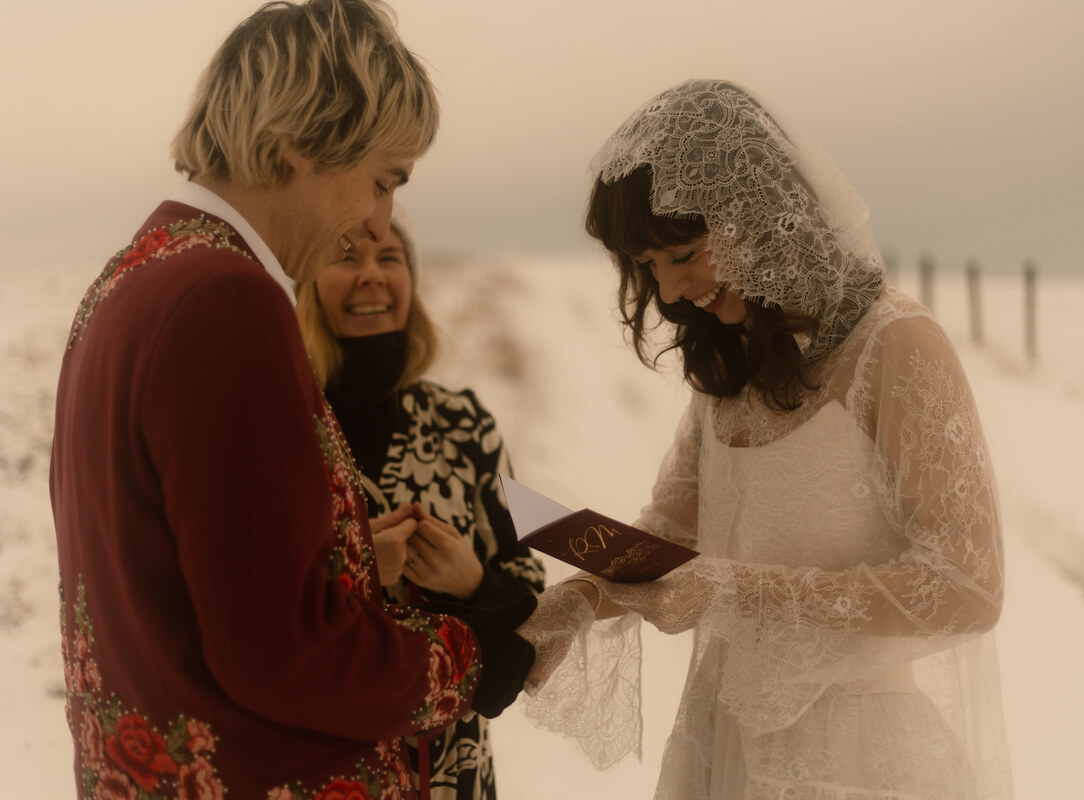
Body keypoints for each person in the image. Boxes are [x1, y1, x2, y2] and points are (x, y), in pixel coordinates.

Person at [49, 2, 533, 797]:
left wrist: (340, 565)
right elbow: (282, 654)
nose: (376, 222)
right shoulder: (226, 300)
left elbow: (170, 577)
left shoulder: (127, 279)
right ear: (302, 142)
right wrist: (472, 659)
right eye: (382, 181)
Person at [518, 79, 1013, 799]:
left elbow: (969, 586)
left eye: (683, 252)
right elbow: (672, 530)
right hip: (721, 748)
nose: (670, 292)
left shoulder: (897, 346)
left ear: (760, 213)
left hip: (857, 763)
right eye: (648, 266)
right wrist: (577, 600)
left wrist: (733, 588)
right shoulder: (732, 358)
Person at [294, 207, 546, 799]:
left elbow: (533, 586)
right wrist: (360, 573)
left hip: (451, 772)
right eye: (346, 257)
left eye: (390, 258)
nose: (373, 275)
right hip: (326, 763)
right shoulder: (287, 429)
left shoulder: (466, 424)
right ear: (307, 286)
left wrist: (474, 583)